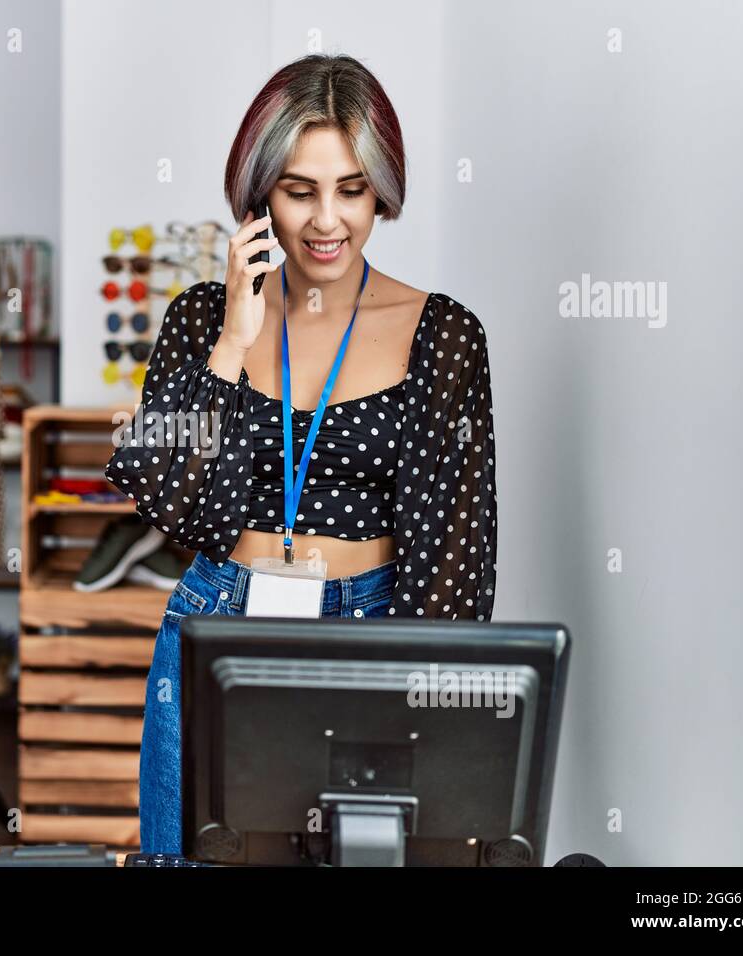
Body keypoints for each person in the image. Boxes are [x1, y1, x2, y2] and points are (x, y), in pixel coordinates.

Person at [106, 53, 499, 855]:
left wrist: (426, 710)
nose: (328, 220)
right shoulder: (204, 320)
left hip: (376, 628)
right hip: (221, 624)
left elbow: (456, 563)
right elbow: (170, 502)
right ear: (258, 198)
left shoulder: (445, 333)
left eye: (351, 189)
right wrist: (232, 343)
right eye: (299, 190)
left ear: (381, 192)